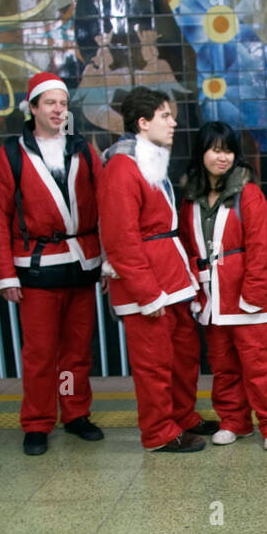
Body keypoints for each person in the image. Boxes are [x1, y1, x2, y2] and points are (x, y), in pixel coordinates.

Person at [0, 72, 105, 457]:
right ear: (32, 108)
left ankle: (74, 413)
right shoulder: (10, 156)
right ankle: (36, 422)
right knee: (39, 354)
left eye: (63, 103)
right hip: (35, 268)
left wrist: (112, 262)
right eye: (50, 103)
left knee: (76, 351)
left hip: (82, 264)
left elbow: (109, 208)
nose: (58, 110)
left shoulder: (84, 151)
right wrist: (3, 275)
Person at [97, 87, 217, 453]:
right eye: (165, 116)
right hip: (147, 283)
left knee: (182, 354)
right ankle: (159, 432)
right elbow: (121, 239)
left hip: (170, 275)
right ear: (143, 122)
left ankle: (182, 415)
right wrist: (146, 293)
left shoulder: (149, 160)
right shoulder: (121, 168)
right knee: (154, 363)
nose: (173, 122)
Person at [178, 121, 267, 451]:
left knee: (258, 367)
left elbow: (260, 245)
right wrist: (197, 293)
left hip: (247, 298)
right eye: (215, 150)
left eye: (228, 150)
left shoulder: (249, 193)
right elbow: (187, 246)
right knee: (224, 368)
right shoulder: (190, 197)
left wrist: (253, 295)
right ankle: (234, 421)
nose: (223, 157)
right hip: (212, 299)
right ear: (202, 153)